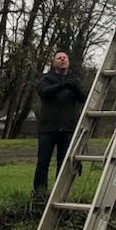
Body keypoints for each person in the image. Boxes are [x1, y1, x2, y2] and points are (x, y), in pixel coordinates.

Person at [33, 51, 87, 194]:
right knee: (43, 162)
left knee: (63, 163)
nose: (62, 60)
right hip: (47, 128)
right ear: (54, 62)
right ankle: (39, 193)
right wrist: (62, 86)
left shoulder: (75, 79)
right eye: (59, 58)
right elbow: (43, 92)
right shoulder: (46, 79)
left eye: (65, 58)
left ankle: (60, 193)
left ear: (68, 62)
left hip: (68, 127)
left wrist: (74, 87)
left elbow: (83, 98)